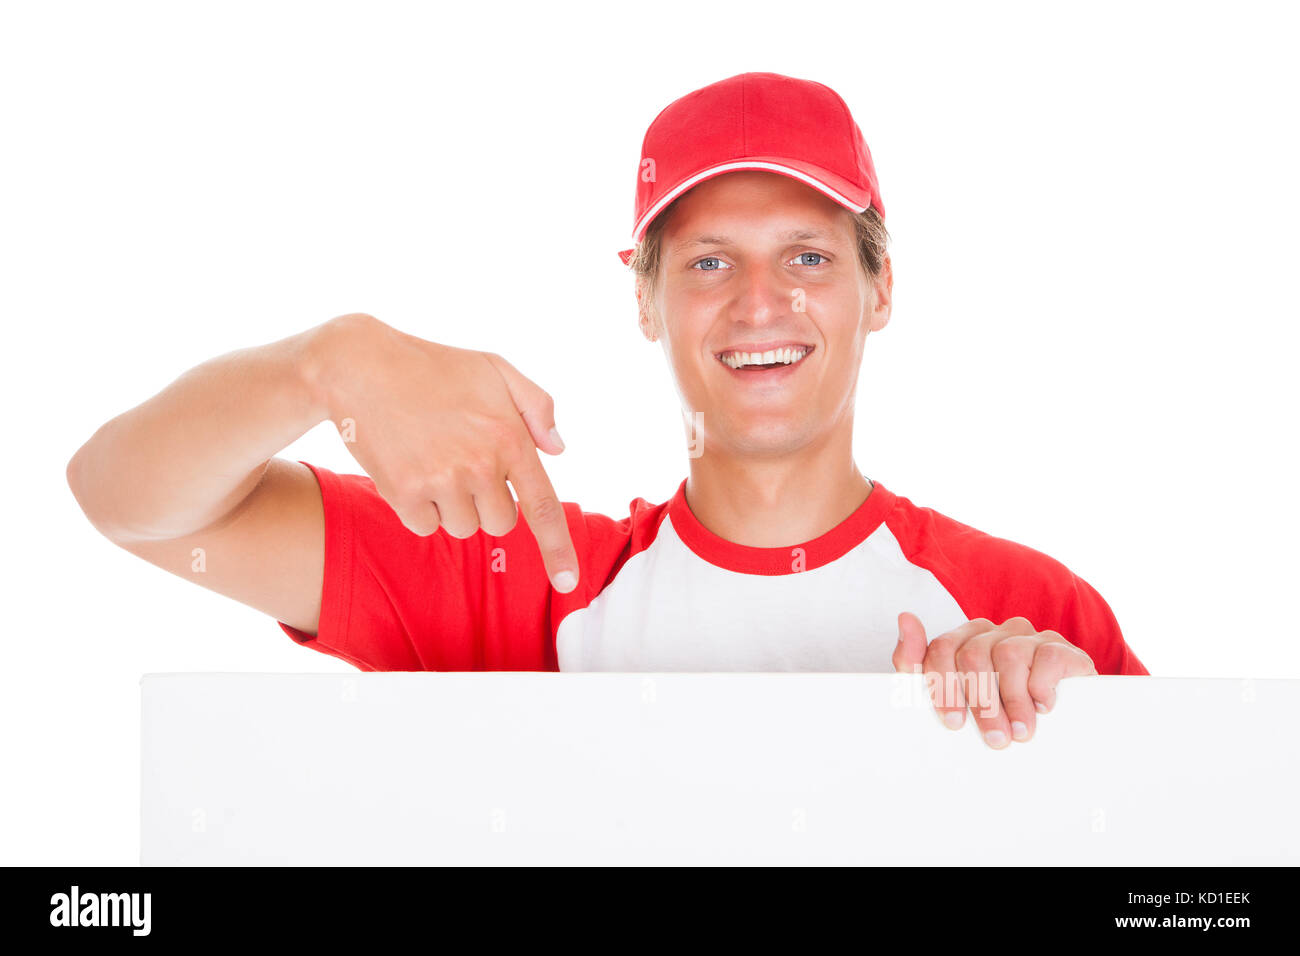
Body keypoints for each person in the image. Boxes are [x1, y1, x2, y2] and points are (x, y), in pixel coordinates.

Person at [66, 71, 1147, 751]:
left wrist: (1089, 731)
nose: (759, 302)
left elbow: (1205, 885)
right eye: (709, 261)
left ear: (882, 289)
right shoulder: (517, 579)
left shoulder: (1028, 608)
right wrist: (324, 364)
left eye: (808, 256)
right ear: (643, 299)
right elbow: (131, 504)